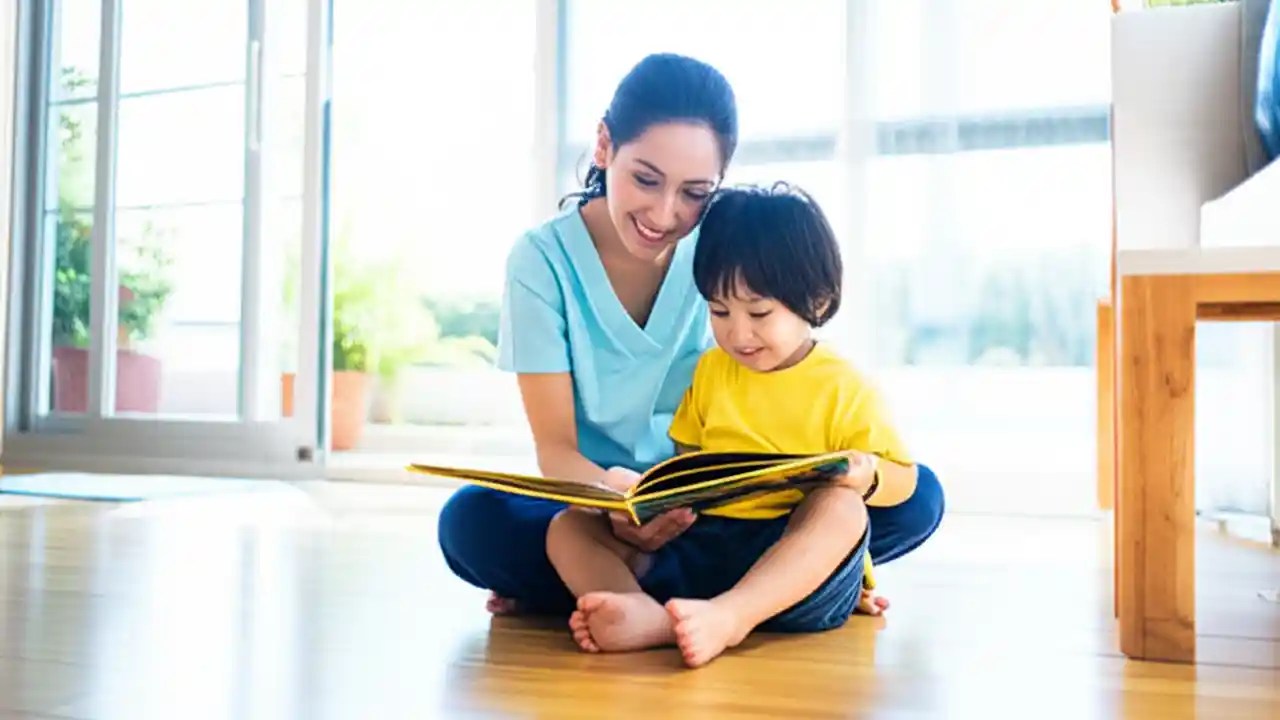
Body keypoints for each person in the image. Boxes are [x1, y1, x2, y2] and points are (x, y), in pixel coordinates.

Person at [436, 51, 945, 636]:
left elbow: (788, 372)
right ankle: (774, 587)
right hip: (608, 506)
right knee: (471, 522)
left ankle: (610, 593)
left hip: (733, 510)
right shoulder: (541, 262)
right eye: (646, 180)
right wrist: (620, 502)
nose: (665, 214)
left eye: (695, 192)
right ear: (604, 147)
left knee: (916, 495)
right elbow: (556, 451)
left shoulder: (725, 253)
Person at [545, 182, 915, 667]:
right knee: (568, 529)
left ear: (818, 300)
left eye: (759, 312)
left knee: (842, 509)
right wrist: (650, 501)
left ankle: (732, 616)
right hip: (703, 549)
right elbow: (686, 465)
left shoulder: (843, 387)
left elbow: (905, 480)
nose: (737, 333)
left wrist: (864, 476)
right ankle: (648, 614)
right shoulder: (711, 371)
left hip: (786, 567)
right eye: (719, 311)